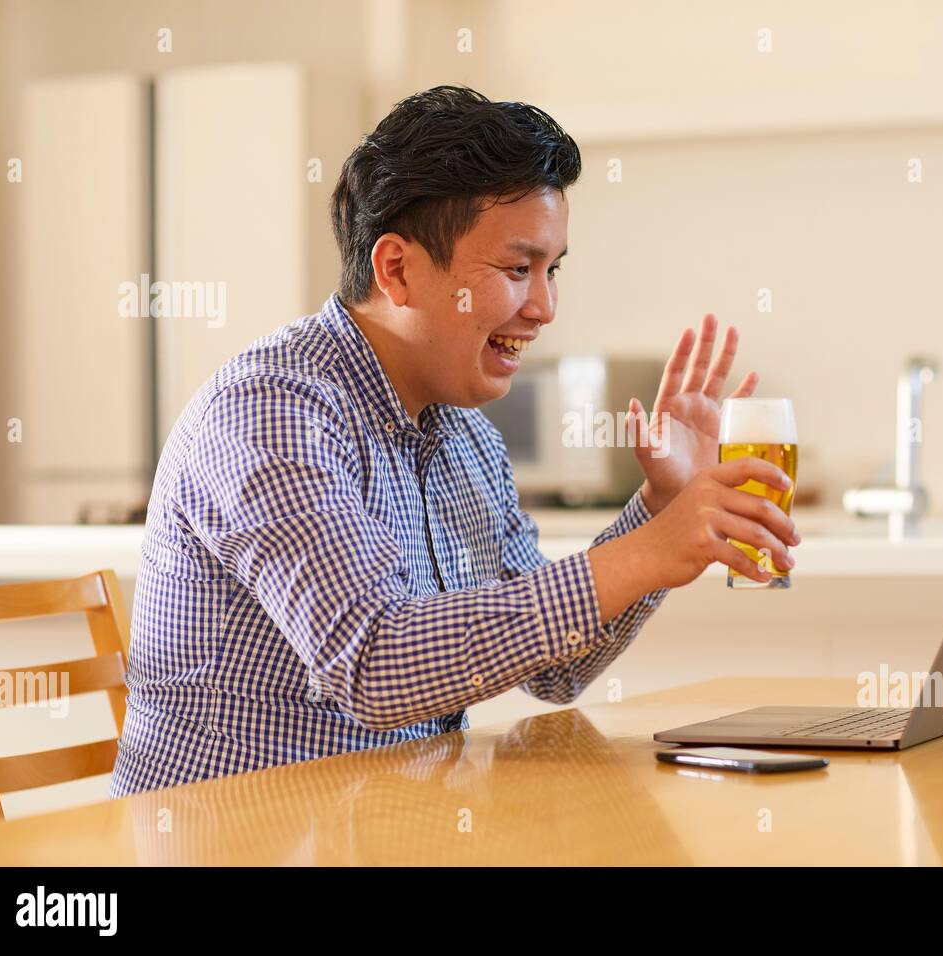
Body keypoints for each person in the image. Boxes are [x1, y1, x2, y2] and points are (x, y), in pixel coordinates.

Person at [110, 85, 799, 796]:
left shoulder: (464, 433)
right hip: (242, 838)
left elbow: (555, 667)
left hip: (386, 831)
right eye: (516, 269)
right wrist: (649, 550)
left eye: (552, 269)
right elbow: (373, 663)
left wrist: (659, 504)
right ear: (398, 270)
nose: (545, 307)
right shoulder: (271, 410)